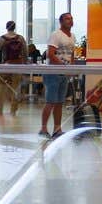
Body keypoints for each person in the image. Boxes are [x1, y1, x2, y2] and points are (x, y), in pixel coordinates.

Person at [40, 11, 77, 139]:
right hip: (53, 73)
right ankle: (43, 128)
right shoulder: (56, 35)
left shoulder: (72, 36)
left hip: (64, 73)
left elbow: (71, 54)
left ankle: (57, 128)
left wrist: (71, 68)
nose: (70, 21)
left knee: (60, 102)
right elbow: (50, 54)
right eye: (67, 19)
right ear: (61, 22)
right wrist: (62, 65)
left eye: (71, 18)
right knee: (50, 101)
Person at [0, 19, 28, 116]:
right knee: (16, 88)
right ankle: (13, 110)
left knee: (1, 87)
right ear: (15, 27)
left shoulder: (2, 39)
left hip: (5, 66)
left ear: (6, 27)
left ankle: (0, 109)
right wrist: (24, 64)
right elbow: (25, 53)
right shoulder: (20, 38)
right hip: (18, 66)